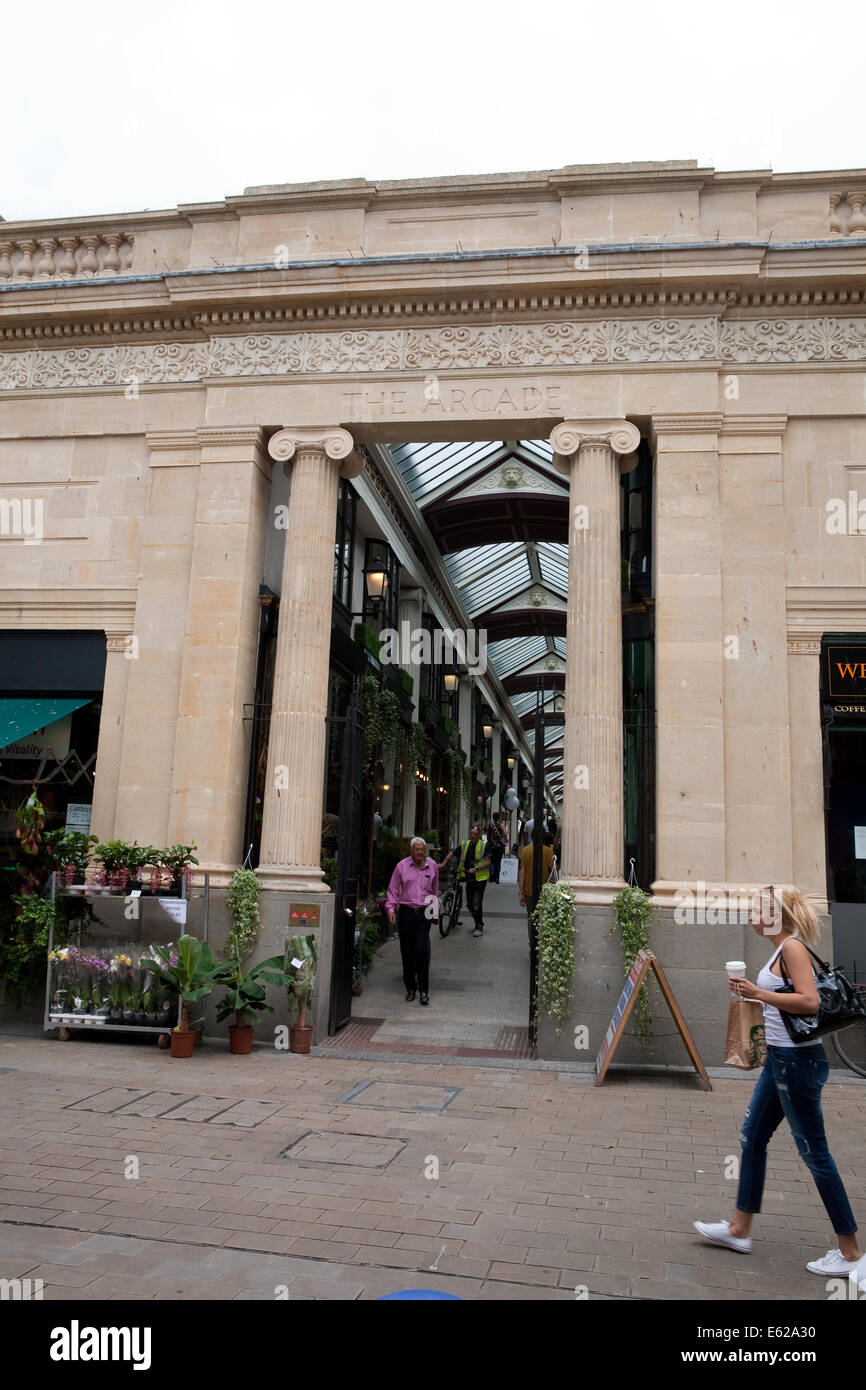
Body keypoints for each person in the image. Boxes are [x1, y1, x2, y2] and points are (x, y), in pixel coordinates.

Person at [694, 887, 863, 1276]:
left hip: (797, 1064)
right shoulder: (778, 950)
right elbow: (785, 998)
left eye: (757, 910)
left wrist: (757, 993)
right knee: (752, 1138)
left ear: (776, 916)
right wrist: (750, 996)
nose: (751, 915)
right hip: (779, 1062)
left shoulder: (792, 949)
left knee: (815, 1154)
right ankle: (739, 1229)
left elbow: (810, 1002)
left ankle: (852, 1252)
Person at [385, 837, 439, 1005]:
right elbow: (393, 889)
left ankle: (424, 990)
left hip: (424, 913)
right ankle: (410, 988)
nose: (419, 853)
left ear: (425, 851)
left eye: (422, 849)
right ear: (411, 851)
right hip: (406, 913)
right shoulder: (402, 866)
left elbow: (435, 891)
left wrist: (435, 913)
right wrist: (390, 908)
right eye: (416, 850)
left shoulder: (433, 866)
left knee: (422, 950)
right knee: (407, 952)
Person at [439, 825, 490, 937]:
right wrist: (443, 863)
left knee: (476, 903)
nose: (472, 836)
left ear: (479, 835)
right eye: (471, 833)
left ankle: (479, 925)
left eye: (475, 834)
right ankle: (477, 919)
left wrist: (476, 869)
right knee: (469, 905)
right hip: (469, 877)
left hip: (480, 878)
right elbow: (452, 853)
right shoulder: (465, 845)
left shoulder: (484, 845)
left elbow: (487, 862)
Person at [518, 831, 555, 946]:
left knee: (531, 918)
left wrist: (521, 892)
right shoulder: (548, 851)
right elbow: (553, 873)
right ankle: (542, 945)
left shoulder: (525, 850)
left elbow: (522, 873)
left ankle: (532, 944)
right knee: (544, 918)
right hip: (545, 890)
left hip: (529, 891)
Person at [486, 812, 508, 883]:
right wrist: (502, 837)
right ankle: (497, 878)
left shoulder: (490, 825)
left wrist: (490, 842)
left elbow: (488, 836)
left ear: (493, 817)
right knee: (498, 862)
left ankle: (492, 874)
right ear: (498, 817)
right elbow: (505, 834)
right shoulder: (501, 825)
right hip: (499, 846)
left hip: (492, 846)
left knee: (492, 861)